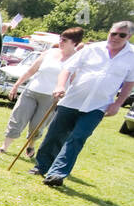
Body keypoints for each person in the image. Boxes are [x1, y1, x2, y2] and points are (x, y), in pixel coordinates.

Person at [30, 21, 134, 186]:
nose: (116, 37)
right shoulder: (93, 49)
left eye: (121, 35)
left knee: (78, 137)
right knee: (55, 134)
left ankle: (57, 174)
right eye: (113, 33)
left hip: (98, 105)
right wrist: (60, 85)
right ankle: (41, 166)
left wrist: (117, 103)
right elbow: (67, 69)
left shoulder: (131, 55)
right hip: (72, 99)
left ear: (129, 36)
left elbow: (129, 83)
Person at [0, 27, 83, 158]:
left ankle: (31, 144)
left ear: (74, 43)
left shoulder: (76, 60)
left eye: (65, 40)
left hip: (51, 98)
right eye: (60, 38)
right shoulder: (49, 53)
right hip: (31, 91)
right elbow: (31, 70)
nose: (61, 42)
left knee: (37, 126)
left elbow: (74, 82)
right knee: (18, 118)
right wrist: (16, 85)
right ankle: (4, 147)